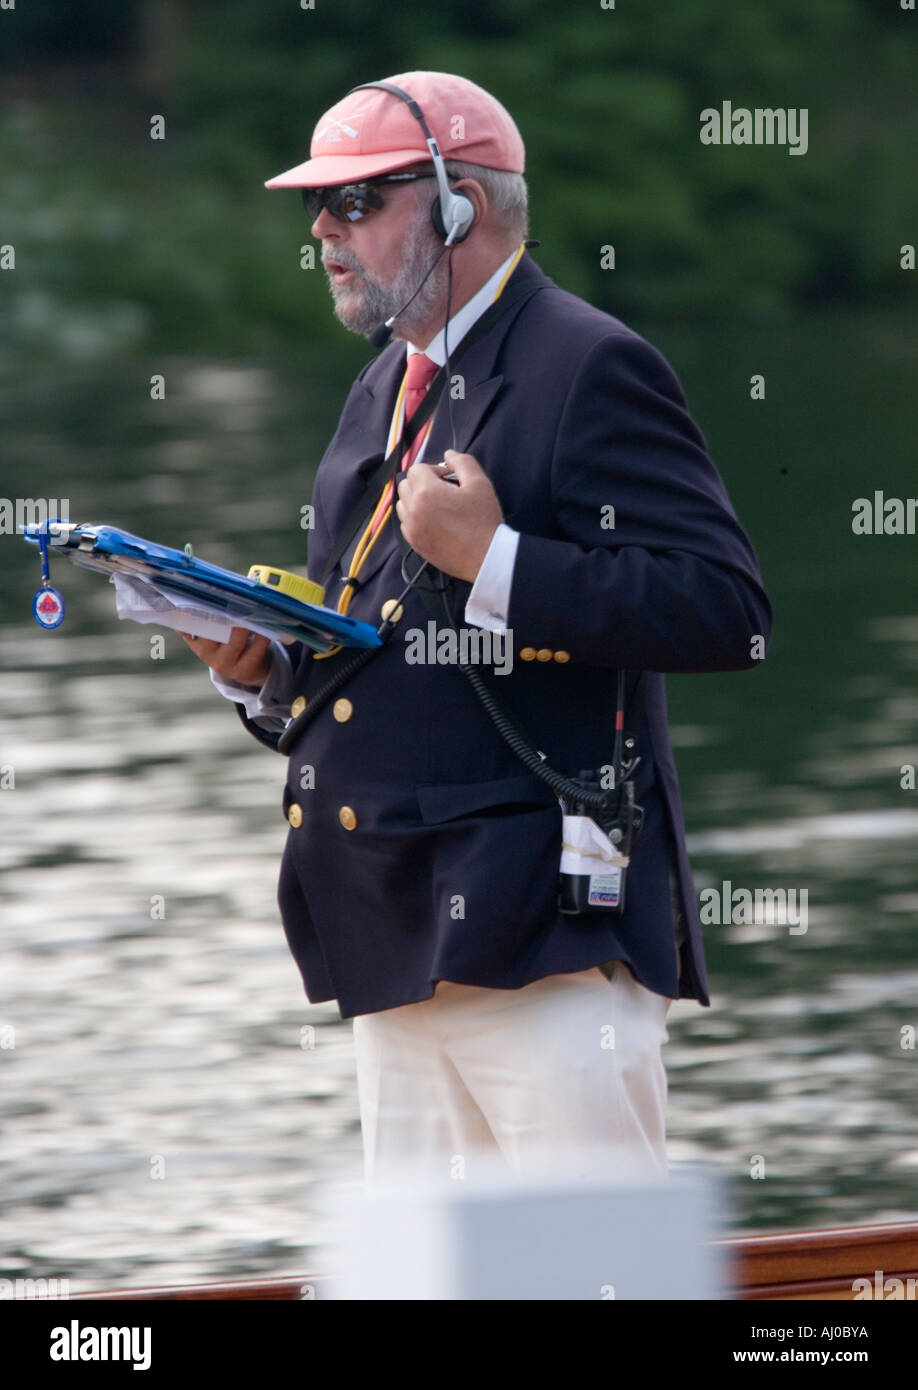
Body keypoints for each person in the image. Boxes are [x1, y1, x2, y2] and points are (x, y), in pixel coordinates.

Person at [181, 72, 772, 1184]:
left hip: (546, 939)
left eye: (358, 202)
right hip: (392, 930)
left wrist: (496, 561)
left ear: (460, 207)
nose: (322, 230)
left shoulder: (588, 363)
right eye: (322, 206)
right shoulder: (381, 389)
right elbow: (369, 653)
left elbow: (727, 611)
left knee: (595, 1271)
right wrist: (261, 673)